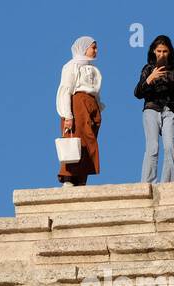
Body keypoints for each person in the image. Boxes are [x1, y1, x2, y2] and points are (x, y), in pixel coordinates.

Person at [134, 35, 174, 183]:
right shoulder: (148, 68)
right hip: (151, 109)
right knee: (153, 146)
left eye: (165, 51)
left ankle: (169, 182)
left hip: (169, 110)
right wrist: (150, 78)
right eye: (159, 51)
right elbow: (137, 93)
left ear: (170, 53)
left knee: (169, 146)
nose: (161, 54)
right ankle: (148, 182)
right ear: (153, 52)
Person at [57, 36, 105, 186]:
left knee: (89, 143)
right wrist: (68, 116)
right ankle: (68, 178)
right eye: (93, 47)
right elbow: (66, 90)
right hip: (77, 105)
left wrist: (97, 110)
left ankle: (81, 179)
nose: (96, 50)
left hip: (91, 106)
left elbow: (95, 92)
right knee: (75, 140)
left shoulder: (94, 70)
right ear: (84, 48)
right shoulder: (72, 66)